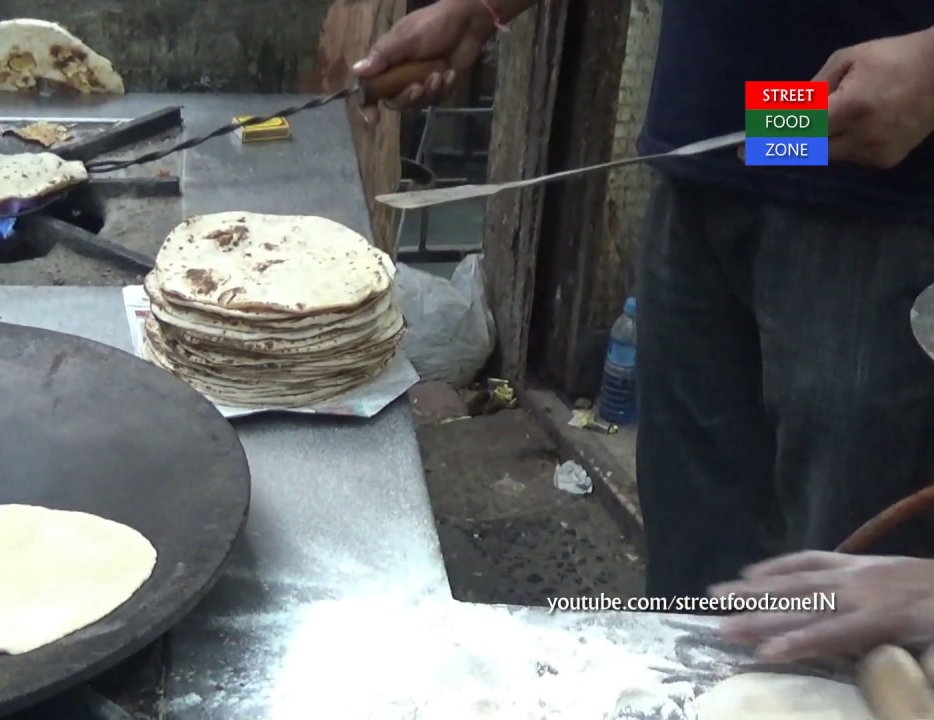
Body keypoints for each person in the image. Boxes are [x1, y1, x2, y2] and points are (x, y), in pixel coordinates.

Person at [356, 0, 934, 658]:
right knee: (696, 597)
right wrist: (481, 9)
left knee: (843, 612)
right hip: (715, 152)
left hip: (887, 203)